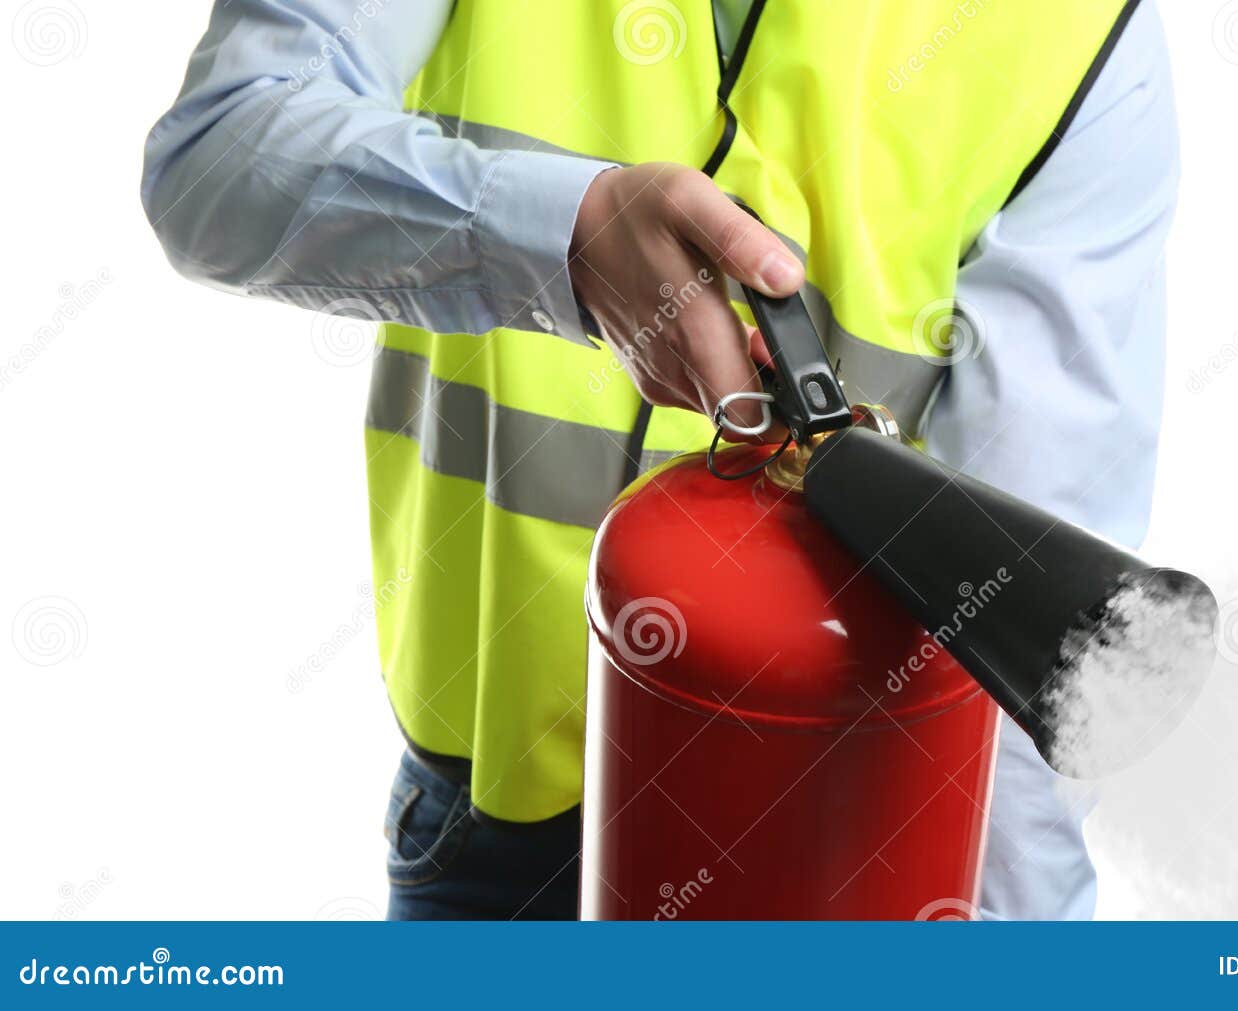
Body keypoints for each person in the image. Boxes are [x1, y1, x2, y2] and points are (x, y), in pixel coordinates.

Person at [142, 0, 1179, 921]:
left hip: (834, 849)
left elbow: (1028, 617)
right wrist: (561, 235)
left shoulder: (1081, 30)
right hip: (495, 823)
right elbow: (220, 154)